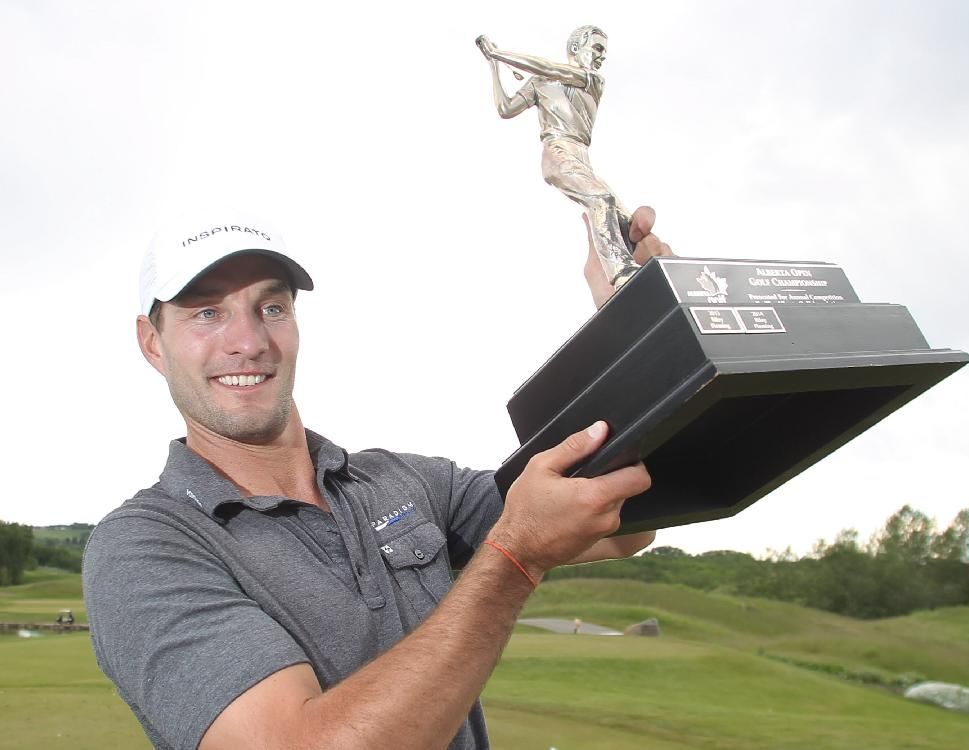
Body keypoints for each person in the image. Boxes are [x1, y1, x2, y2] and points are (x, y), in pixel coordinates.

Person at [83, 210, 672, 749]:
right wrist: (514, 556)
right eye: (207, 313)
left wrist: (639, 324)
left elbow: (620, 519)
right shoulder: (142, 548)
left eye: (272, 308)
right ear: (152, 343)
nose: (249, 342)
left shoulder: (401, 480)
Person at [477, 27, 669, 290]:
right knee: (601, 199)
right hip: (558, 151)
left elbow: (549, 68)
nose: (602, 57)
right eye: (597, 48)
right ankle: (623, 272)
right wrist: (494, 66)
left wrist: (498, 54)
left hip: (582, 157)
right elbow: (506, 108)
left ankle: (650, 274)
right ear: (576, 48)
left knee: (622, 219)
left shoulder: (592, 80)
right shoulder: (540, 83)